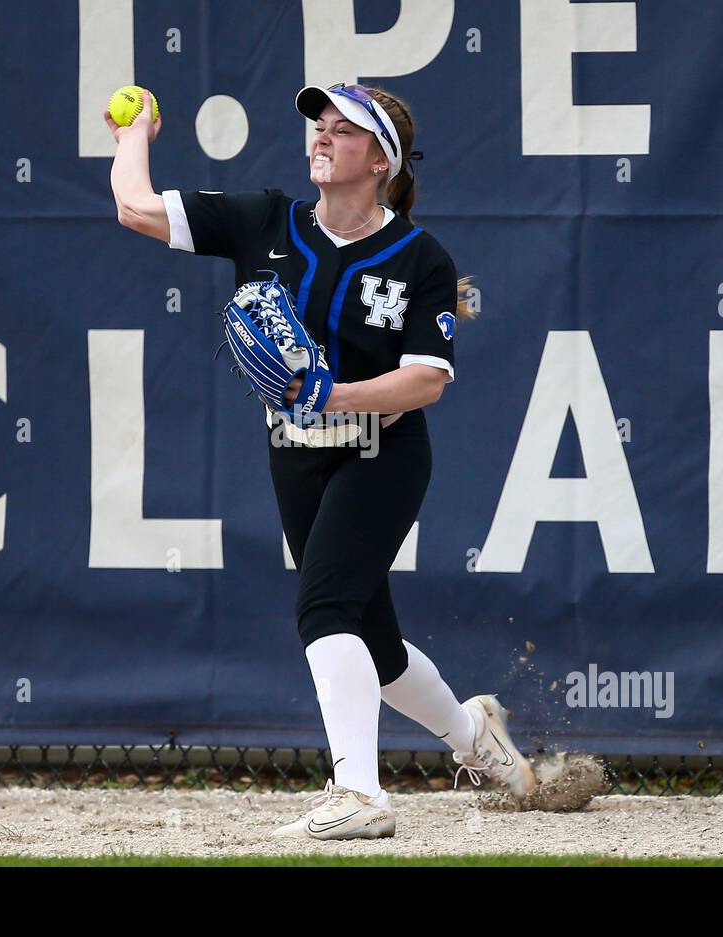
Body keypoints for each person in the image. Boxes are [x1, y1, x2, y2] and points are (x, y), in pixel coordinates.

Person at [107, 83, 536, 840]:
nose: (321, 138)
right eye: (319, 125)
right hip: (295, 457)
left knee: (324, 610)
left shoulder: (419, 256)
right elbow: (135, 207)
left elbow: (427, 379)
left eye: (343, 131)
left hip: (383, 452)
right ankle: (479, 739)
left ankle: (360, 796)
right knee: (374, 645)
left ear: (381, 161)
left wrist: (327, 393)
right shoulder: (265, 219)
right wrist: (133, 132)